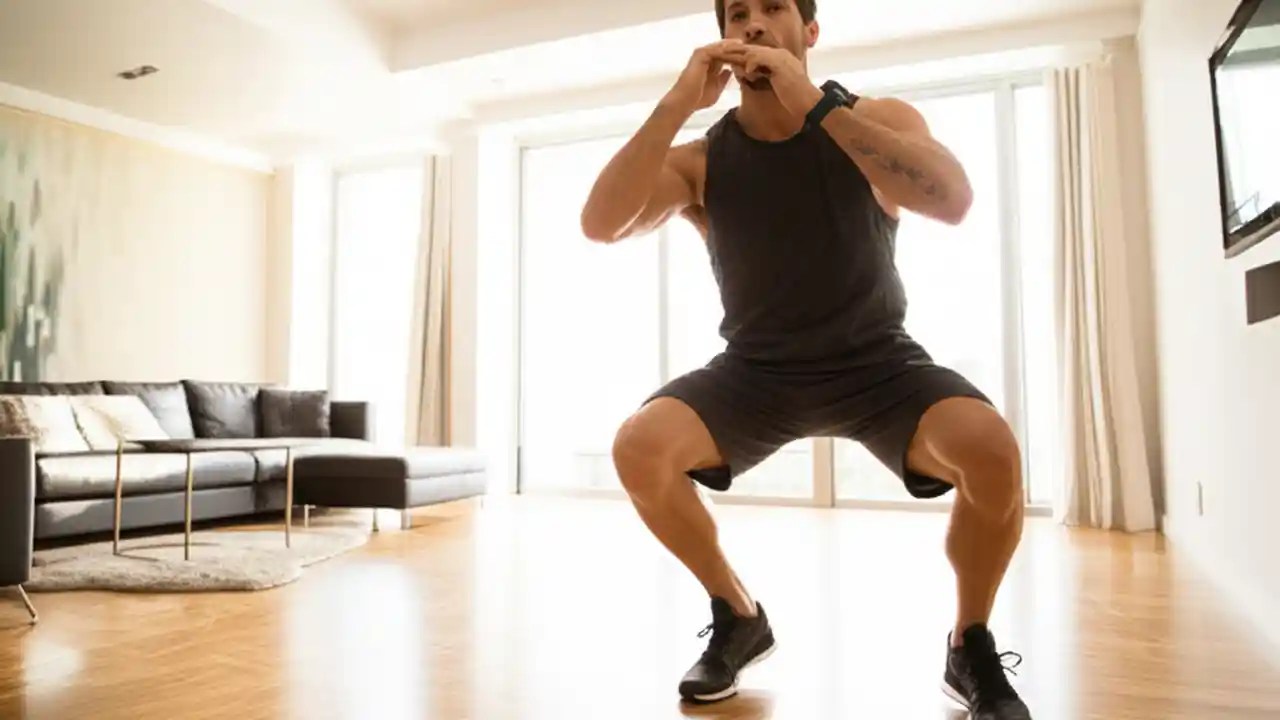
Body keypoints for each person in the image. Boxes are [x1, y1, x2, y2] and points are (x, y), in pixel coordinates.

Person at [579, 1, 1032, 718]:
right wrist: (674, 105)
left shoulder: (872, 118)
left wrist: (815, 106)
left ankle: (968, 641)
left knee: (991, 450)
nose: (752, 24)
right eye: (737, 14)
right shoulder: (702, 158)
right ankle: (738, 615)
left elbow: (953, 201)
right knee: (641, 447)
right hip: (755, 373)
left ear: (809, 33)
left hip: (880, 365)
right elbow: (601, 225)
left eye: (772, 9)